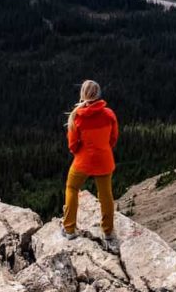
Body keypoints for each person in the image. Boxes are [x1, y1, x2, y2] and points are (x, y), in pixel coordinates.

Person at [63, 79, 120, 246]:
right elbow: (113, 138)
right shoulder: (109, 114)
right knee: (106, 195)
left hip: (83, 161)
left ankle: (69, 229)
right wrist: (103, 149)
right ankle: (108, 232)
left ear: (83, 95)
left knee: (72, 188)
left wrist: (82, 152)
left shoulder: (77, 117)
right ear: (98, 94)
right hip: (104, 159)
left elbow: (72, 145)